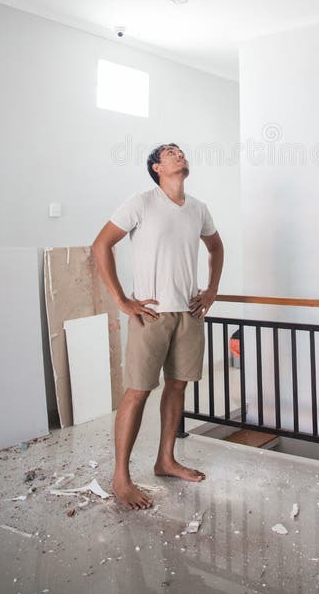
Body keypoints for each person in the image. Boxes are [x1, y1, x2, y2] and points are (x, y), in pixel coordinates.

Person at [91, 143, 224, 510]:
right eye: (170, 153)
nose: (179, 155)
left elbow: (216, 247)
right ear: (156, 167)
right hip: (150, 313)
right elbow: (102, 244)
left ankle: (165, 460)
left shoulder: (198, 209)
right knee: (137, 392)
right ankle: (121, 477)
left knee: (177, 386)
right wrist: (121, 299)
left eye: (181, 151)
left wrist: (210, 290)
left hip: (188, 313)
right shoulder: (141, 202)